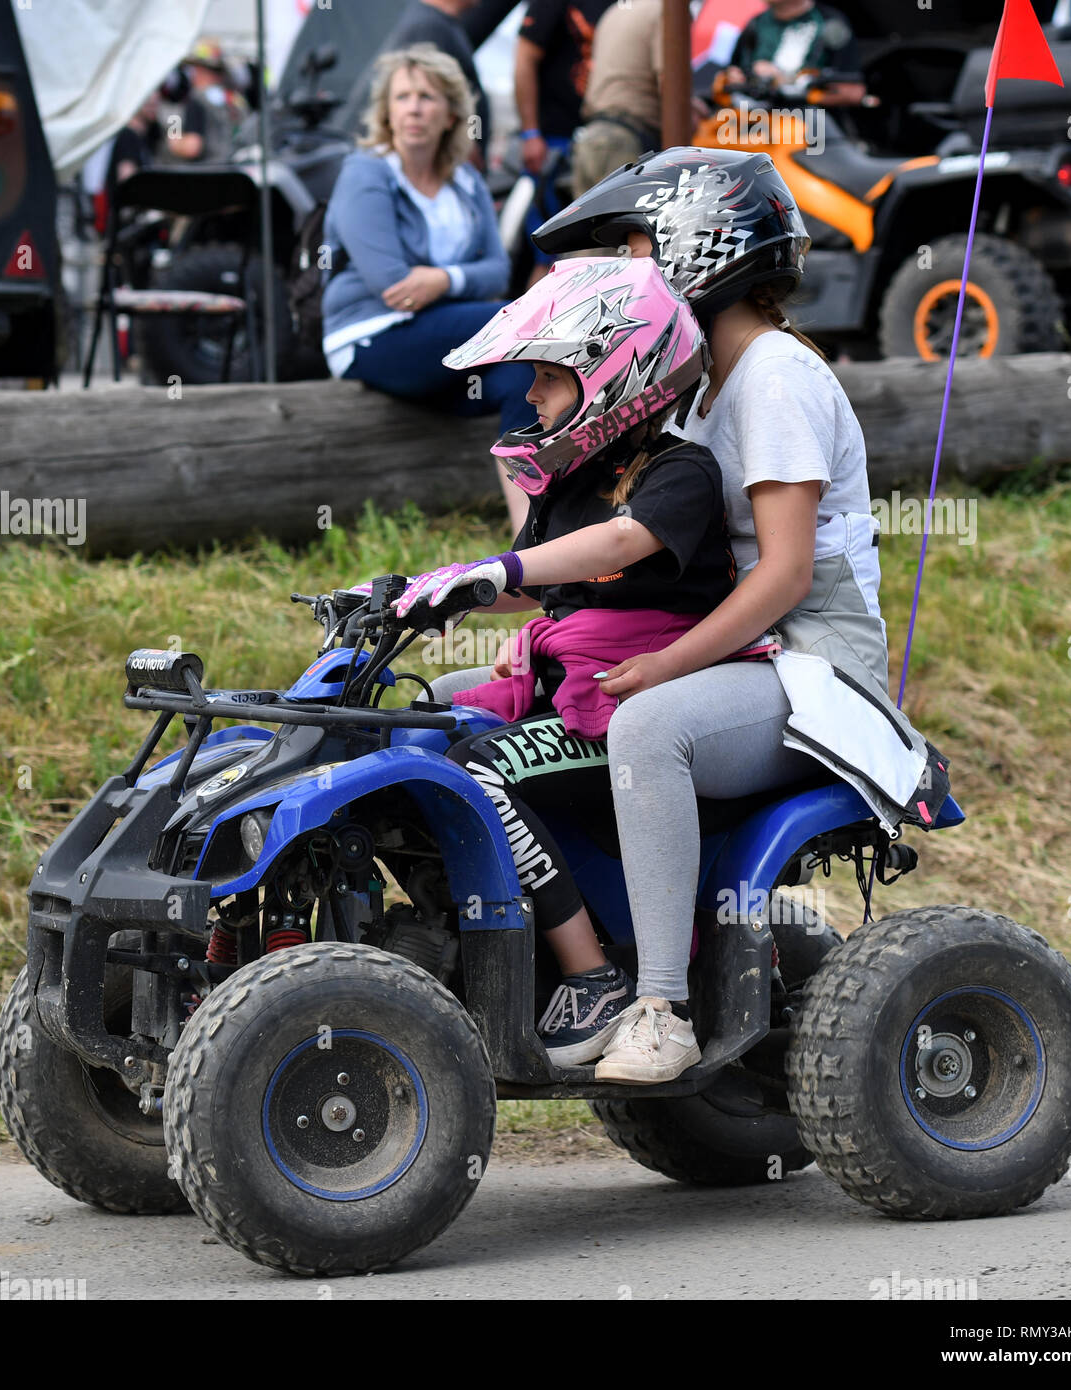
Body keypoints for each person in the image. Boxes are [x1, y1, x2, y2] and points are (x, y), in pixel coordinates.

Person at [530, 148, 949, 1082]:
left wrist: (666, 665)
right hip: (746, 650)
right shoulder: (703, 388)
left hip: (810, 663)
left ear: (698, 248)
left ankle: (659, 1008)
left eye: (639, 249)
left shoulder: (773, 378)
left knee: (646, 726)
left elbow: (788, 575)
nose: (627, 274)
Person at [394, 256, 774, 1066]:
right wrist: (428, 589)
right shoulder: (570, 481)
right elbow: (531, 586)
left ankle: (592, 974)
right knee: (415, 724)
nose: (531, 394)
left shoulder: (681, 471)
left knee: (478, 771)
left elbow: (621, 542)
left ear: (615, 373)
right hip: (572, 678)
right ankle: (458, 921)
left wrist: (506, 569)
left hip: (621, 694)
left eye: (545, 376)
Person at [323, 44, 536, 530]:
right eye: (402, 97)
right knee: (522, 317)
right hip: (373, 336)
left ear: (451, 115)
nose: (414, 108)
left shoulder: (466, 180)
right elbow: (391, 286)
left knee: (522, 381)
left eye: (427, 97)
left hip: (442, 339)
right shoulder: (366, 173)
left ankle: (531, 542)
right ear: (386, 112)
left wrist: (442, 278)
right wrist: (458, 284)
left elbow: (496, 269)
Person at [572, 0, 711, 199]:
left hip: (591, 138)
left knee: (590, 229)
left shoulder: (616, 10)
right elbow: (670, 83)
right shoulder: (669, 11)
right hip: (625, 143)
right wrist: (691, 125)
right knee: (632, 226)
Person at [515, 0, 612, 282]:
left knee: (596, 252)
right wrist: (530, 132)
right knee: (549, 251)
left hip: (599, 142)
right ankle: (535, 326)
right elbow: (524, 57)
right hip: (555, 141)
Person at [376, 0, 490, 168]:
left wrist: (472, 137)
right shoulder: (429, 26)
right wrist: (467, 142)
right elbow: (432, 96)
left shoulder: (447, 24)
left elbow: (469, 94)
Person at [724, 0, 866, 106]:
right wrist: (738, 78)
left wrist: (787, 87)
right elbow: (730, 72)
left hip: (807, 126)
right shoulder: (756, 23)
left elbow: (853, 91)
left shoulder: (830, 23)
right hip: (753, 122)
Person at [166, 39, 247, 163]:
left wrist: (173, 138)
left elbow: (191, 147)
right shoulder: (236, 101)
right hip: (233, 172)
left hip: (205, 175)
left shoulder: (195, 100)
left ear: (200, 70)